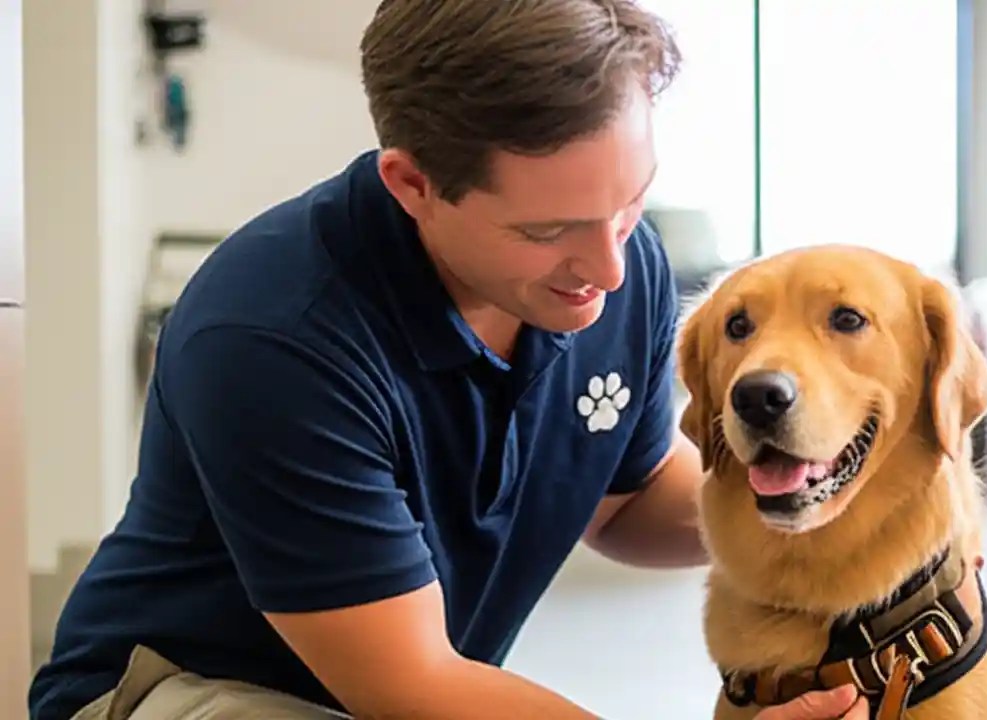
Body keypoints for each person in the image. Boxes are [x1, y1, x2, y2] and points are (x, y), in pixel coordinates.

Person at [28, 2, 868, 719]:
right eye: (546, 232)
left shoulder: (616, 263)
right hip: (178, 694)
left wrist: (842, 513)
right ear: (412, 185)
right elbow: (413, 685)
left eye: (630, 201)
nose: (608, 268)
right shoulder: (272, 335)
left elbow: (627, 500)